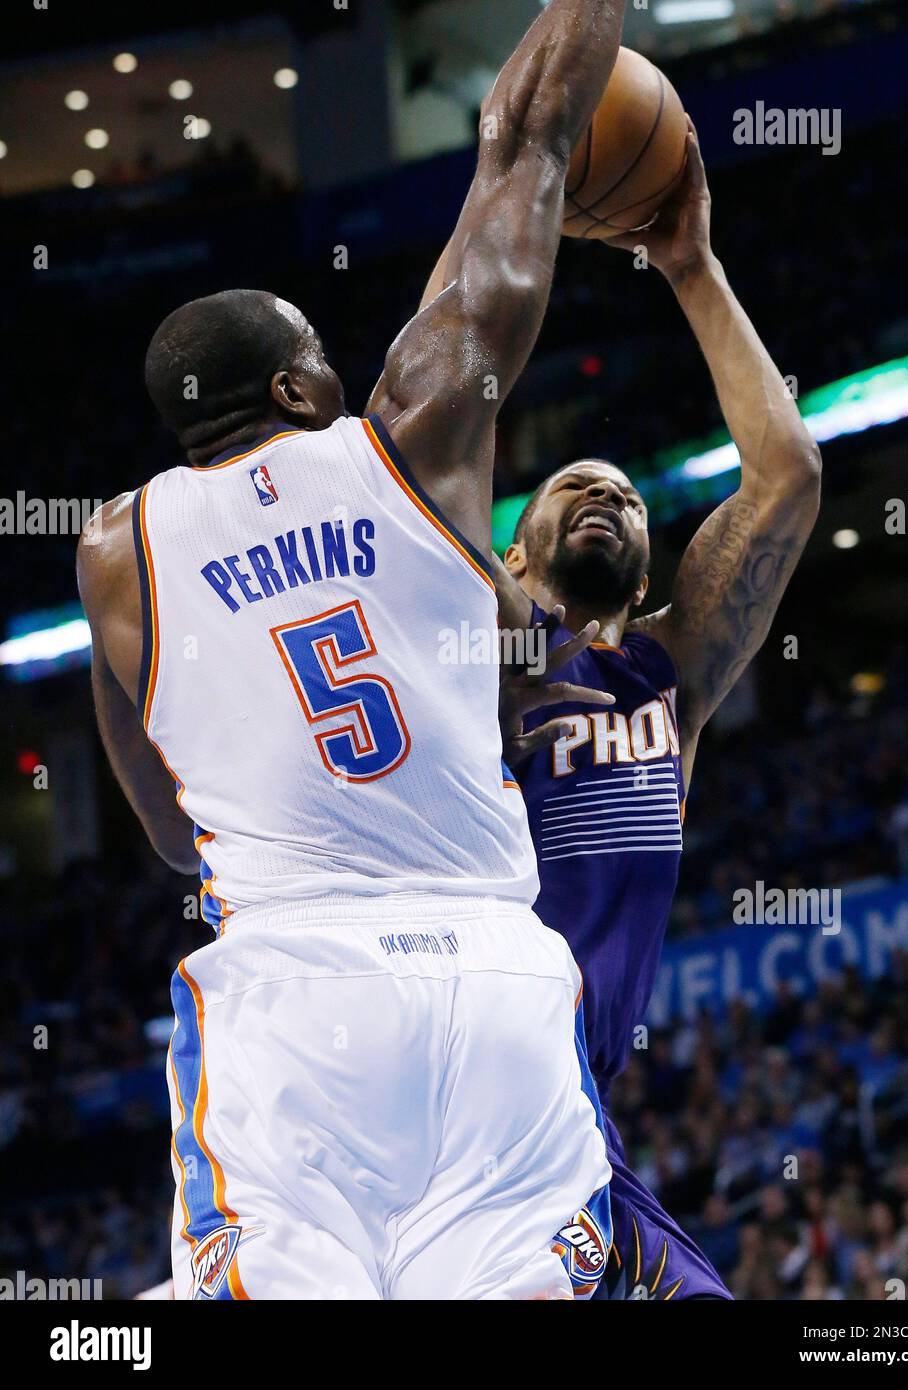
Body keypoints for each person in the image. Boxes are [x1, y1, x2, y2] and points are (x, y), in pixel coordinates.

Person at [78, 0, 633, 1301]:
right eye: (319, 356)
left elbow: (171, 833)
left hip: (292, 994)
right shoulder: (414, 435)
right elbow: (525, 135)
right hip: (490, 972)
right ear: (292, 390)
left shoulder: (117, 553)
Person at [494, 123, 822, 1297]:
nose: (605, 494)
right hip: (476, 1047)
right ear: (517, 559)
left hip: (561, 1097)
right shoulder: (492, 648)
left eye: (627, 498)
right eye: (573, 490)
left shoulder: (670, 680)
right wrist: (518, 192)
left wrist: (691, 265)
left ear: (645, 573)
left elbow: (786, 476)